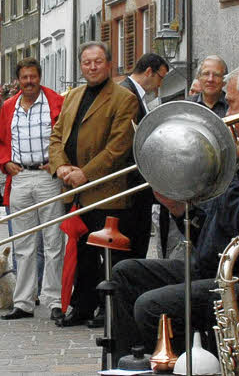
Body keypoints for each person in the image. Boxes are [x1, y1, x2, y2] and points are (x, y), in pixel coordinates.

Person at [110, 60, 239, 358]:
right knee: (126, 274)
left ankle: (181, 363)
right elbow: (217, 226)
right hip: (218, 266)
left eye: (233, 104)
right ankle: (130, 363)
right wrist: (180, 210)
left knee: (153, 306)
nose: (228, 115)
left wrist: (230, 165)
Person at [47, 41, 138, 328]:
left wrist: (85, 173)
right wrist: (60, 166)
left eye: (98, 61)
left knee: (106, 255)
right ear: (80, 65)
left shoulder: (124, 98)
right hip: (73, 189)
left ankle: (107, 307)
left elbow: (118, 147)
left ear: (109, 64)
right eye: (87, 62)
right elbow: (57, 136)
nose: (92, 67)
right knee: (81, 252)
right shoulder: (72, 95)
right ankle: (81, 305)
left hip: (105, 190)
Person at [0, 57, 66, 321]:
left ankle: (55, 299)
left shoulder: (56, 102)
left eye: (33, 76)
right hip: (21, 176)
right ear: (18, 80)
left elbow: (68, 136)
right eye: (24, 77)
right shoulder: (9, 106)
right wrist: (5, 162)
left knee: (53, 241)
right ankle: (23, 301)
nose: (29, 82)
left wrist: (58, 163)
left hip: (48, 177)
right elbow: (0, 140)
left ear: (40, 77)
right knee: (22, 243)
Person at [118, 53, 169, 263]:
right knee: (133, 245)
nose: (160, 84)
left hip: (137, 185)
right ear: (149, 71)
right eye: (160, 77)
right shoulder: (126, 93)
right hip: (131, 184)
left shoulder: (134, 93)